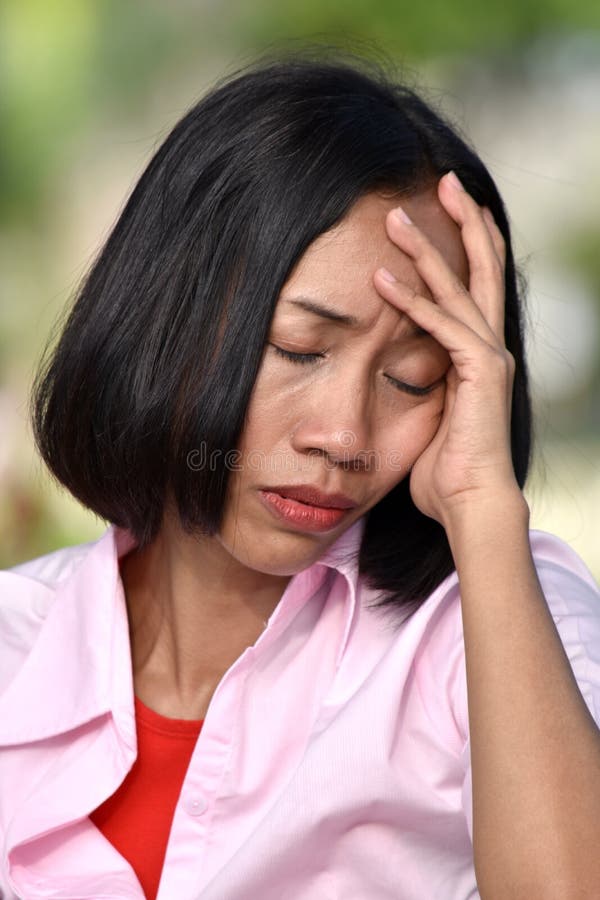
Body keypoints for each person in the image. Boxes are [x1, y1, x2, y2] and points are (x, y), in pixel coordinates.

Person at [1, 49, 599, 900]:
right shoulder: (14, 643)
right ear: (170, 310)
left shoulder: (500, 623)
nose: (344, 436)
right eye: (299, 348)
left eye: (413, 379)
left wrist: (482, 508)